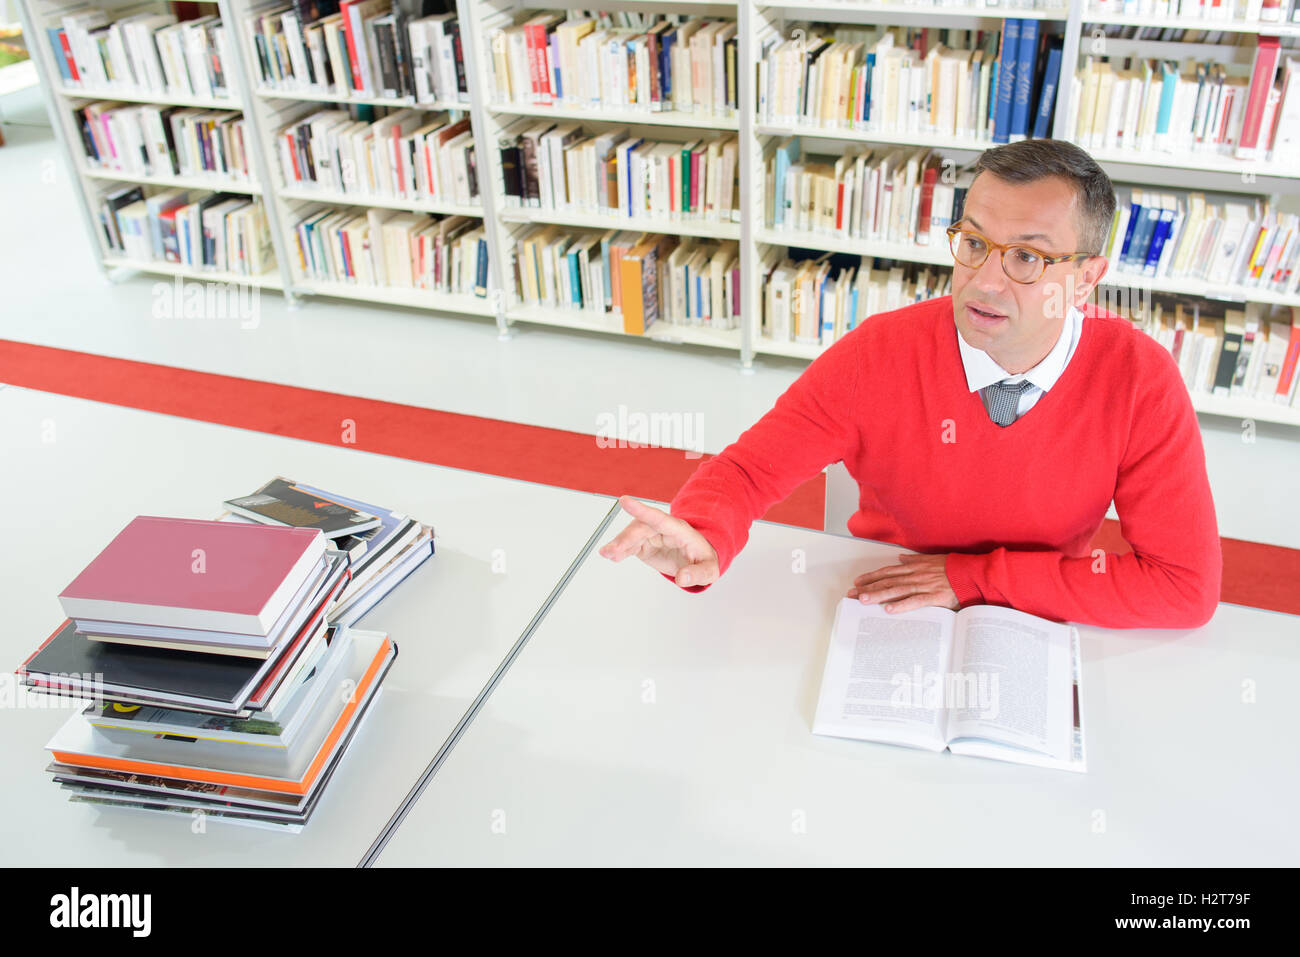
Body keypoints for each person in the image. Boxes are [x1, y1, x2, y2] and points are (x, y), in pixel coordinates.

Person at [598, 138, 1222, 630]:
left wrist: (973, 578)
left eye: (1027, 257)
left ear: (1086, 278)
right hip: (879, 598)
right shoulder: (880, 350)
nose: (984, 282)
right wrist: (706, 532)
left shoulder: (1139, 377)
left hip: (1032, 615)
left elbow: (1184, 587)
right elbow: (749, 472)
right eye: (974, 242)